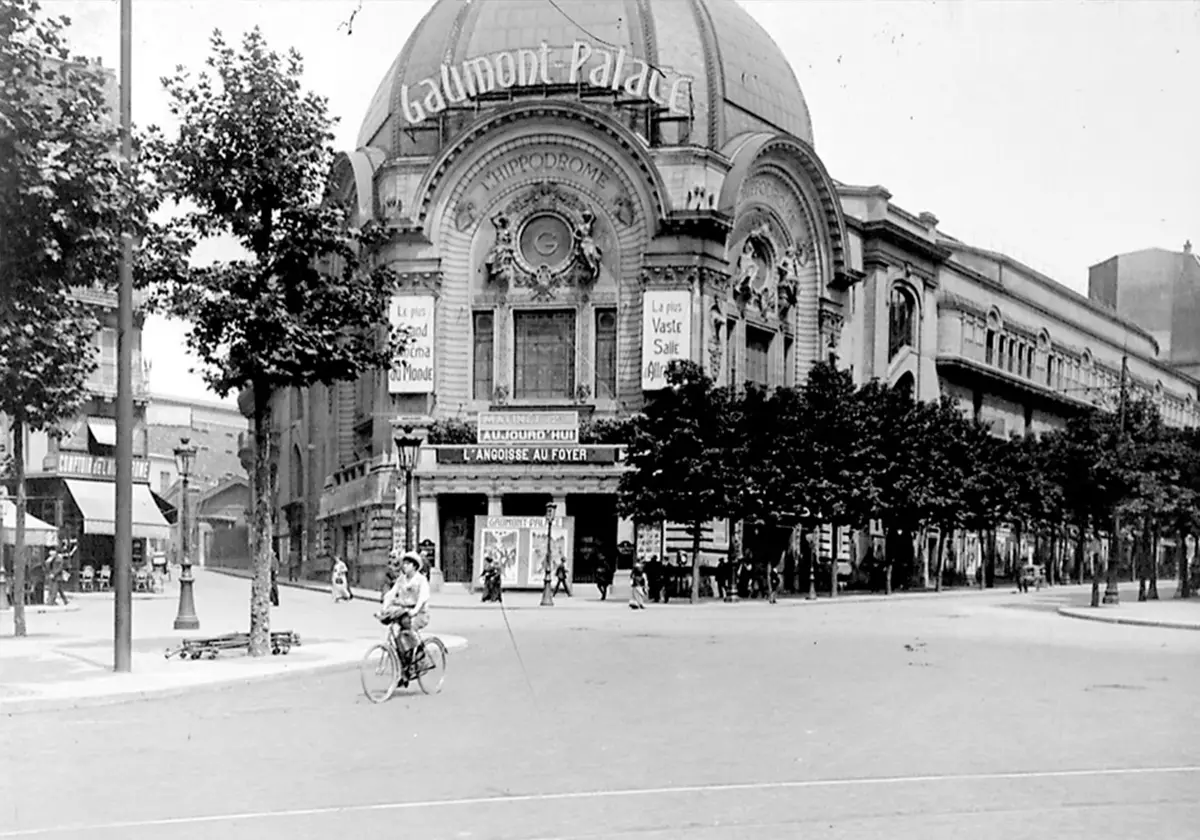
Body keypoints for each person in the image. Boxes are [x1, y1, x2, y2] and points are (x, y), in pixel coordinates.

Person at [378, 552, 431, 660]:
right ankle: (406, 666)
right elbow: (391, 594)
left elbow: (423, 597)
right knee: (399, 638)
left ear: (414, 566)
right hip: (405, 611)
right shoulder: (401, 579)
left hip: (420, 613)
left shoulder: (421, 580)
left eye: (408, 564)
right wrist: (384, 609)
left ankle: (420, 653)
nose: (404, 566)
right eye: (404, 563)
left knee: (408, 630)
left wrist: (415, 610)